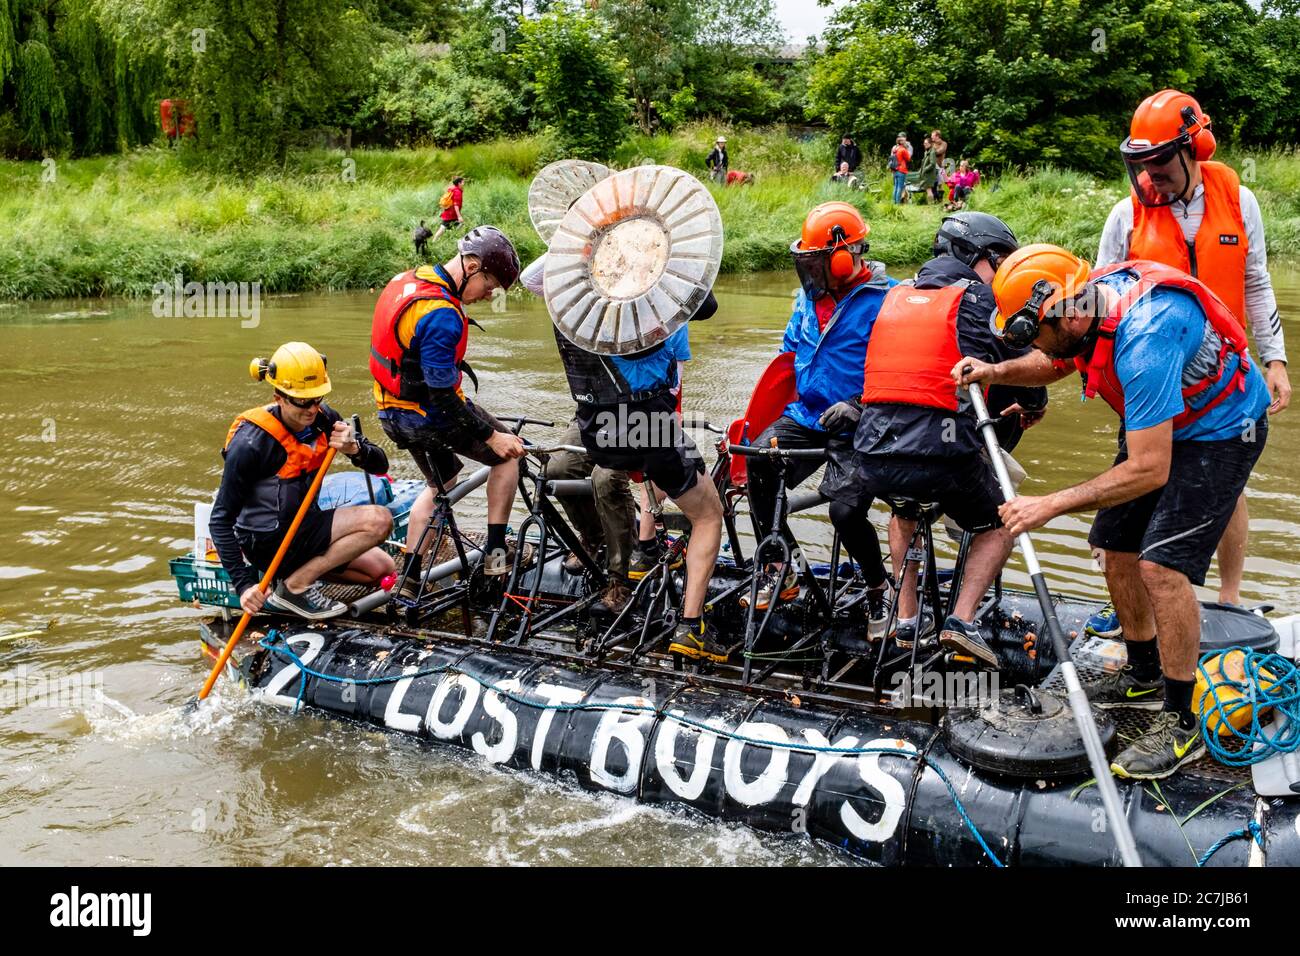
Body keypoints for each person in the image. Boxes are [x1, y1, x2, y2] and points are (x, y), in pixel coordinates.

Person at [955, 243, 1271, 779]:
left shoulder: (1146, 337)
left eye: (1034, 330)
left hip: (1221, 432)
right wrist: (997, 368)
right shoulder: (1083, 306)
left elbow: (1150, 469)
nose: (1034, 342)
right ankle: (1144, 671)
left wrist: (1049, 504)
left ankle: (1180, 723)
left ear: (1068, 313)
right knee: (1115, 548)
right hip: (1166, 422)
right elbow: (1059, 359)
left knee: (1161, 567)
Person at [1083, 89, 1290, 639]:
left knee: (1228, 483)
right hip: (1147, 376)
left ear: (1194, 146)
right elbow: (1097, 301)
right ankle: (1137, 611)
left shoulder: (1239, 201)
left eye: (1160, 162)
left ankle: (1228, 599)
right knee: (1137, 479)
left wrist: (1275, 358)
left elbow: (1256, 280)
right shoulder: (1125, 213)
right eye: (1140, 164)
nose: (1150, 175)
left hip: (1224, 373)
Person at [821, 214, 1025, 663]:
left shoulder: (892, 296)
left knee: (903, 510)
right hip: (943, 456)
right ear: (977, 258)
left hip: (874, 453)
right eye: (999, 262)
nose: (1003, 273)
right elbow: (1017, 369)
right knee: (1003, 523)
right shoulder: (980, 299)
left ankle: (907, 619)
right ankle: (962, 621)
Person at [547, 282, 726, 664]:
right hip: (647, 421)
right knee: (709, 513)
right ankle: (692, 629)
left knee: (645, 469)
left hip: (597, 425)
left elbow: (536, 278)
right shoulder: (655, 293)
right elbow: (705, 305)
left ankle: (644, 549)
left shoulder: (576, 296)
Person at [743, 202, 894, 620]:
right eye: (804, 263)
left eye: (816, 263)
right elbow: (787, 355)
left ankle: (878, 586)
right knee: (759, 459)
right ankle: (781, 566)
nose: (809, 274)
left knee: (843, 511)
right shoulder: (808, 301)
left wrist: (860, 406)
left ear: (844, 258)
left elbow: (901, 372)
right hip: (808, 417)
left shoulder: (890, 301)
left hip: (864, 425)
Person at [370, 226, 527, 596]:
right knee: (508, 456)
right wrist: (493, 436)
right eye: (488, 287)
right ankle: (495, 561)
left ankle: (408, 577)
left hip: (392, 413)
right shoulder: (442, 315)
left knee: (440, 486)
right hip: (429, 415)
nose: (489, 296)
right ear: (471, 266)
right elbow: (444, 397)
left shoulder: (407, 280)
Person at [211, 342, 395, 620]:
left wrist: (355, 449)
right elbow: (220, 520)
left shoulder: (324, 419)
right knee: (379, 520)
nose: (312, 409)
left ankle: (297, 577)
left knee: (382, 568)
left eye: (317, 398)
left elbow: (381, 464)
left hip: (304, 531)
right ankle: (294, 587)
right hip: (267, 542)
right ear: (279, 397)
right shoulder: (250, 444)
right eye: (302, 401)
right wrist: (244, 585)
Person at [520, 254, 638, 617]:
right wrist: (571, 243)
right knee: (557, 469)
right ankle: (595, 538)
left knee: (605, 479)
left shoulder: (630, 287)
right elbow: (531, 279)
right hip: (591, 410)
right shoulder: (570, 288)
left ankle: (621, 576)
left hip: (640, 412)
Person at [430, 177, 464, 244]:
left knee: (458, 225)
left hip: (449, 213)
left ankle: (450, 239)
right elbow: (456, 205)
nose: (463, 184)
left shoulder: (452, 189)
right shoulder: (457, 192)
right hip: (451, 214)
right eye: (462, 182)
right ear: (459, 183)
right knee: (443, 228)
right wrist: (459, 216)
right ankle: (434, 241)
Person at [889, 133, 911, 204]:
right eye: (904, 141)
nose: (905, 142)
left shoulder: (894, 148)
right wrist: (907, 149)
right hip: (901, 170)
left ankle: (893, 202)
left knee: (895, 187)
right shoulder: (902, 149)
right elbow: (908, 158)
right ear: (901, 142)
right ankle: (897, 203)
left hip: (895, 170)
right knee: (899, 187)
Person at [918, 136, 940, 204]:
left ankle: (931, 204)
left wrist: (925, 169)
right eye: (924, 143)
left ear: (930, 144)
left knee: (929, 190)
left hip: (929, 175)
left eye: (926, 143)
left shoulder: (932, 152)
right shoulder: (926, 152)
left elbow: (932, 164)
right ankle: (931, 203)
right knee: (928, 190)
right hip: (926, 175)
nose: (924, 144)